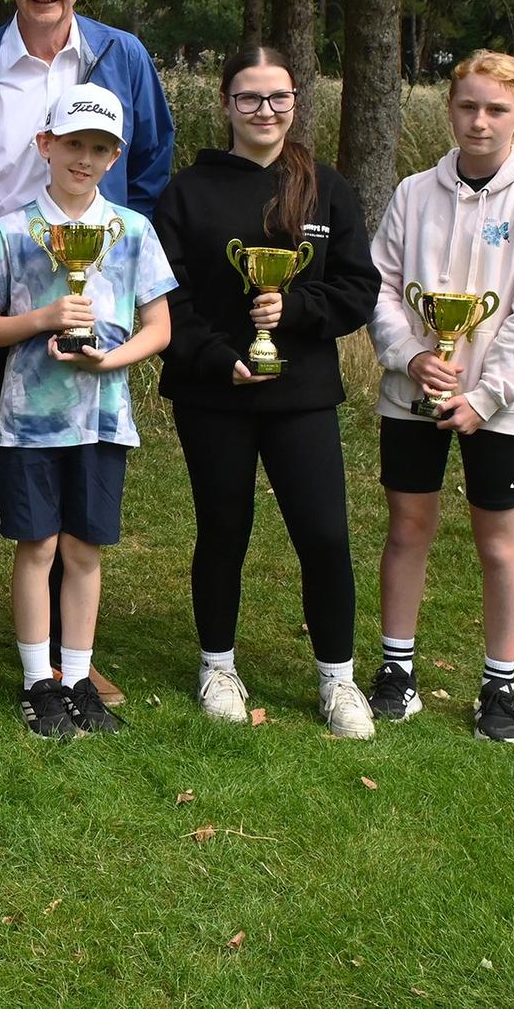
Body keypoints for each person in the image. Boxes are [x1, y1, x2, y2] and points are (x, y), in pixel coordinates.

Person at [0, 0, 175, 706]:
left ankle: (72, 658)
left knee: (72, 492)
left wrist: (118, 279)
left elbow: (152, 162)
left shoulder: (121, 56)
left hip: (89, 315)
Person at [152, 46, 378, 738]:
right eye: (249, 97)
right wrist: (217, 357)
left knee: (324, 533)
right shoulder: (188, 192)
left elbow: (358, 287)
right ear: (226, 104)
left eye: (278, 97)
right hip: (213, 390)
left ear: (295, 103)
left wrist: (298, 309)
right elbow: (165, 294)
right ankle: (217, 666)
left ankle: (337, 678)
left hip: (301, 392)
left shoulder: (326, 188)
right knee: (224, 528)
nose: (264, 110)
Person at [367, 50, 514, 744]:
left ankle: (499, 685)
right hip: (413, 391)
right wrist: (411, 355)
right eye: (467, 106)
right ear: (450, 109)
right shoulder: (413, 192)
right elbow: (380, 288)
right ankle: (397, 671)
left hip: (501, 404)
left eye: (496, 108)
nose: (480, 121)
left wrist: (486, 398)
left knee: (498, 541)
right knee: (407, 528)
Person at [0, 83, 174, 739]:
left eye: (99, 148)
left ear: (115, 157)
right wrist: (43, 318)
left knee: (85, 547)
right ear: (45, 145)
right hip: (28, 421)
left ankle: (78, 678)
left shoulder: (132, 231)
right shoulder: (13, 230)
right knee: (38, 544)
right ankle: (38, 682)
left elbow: (159, 326)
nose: (84, 159)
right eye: (73, 144)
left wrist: (112, 361)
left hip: (102, 418)